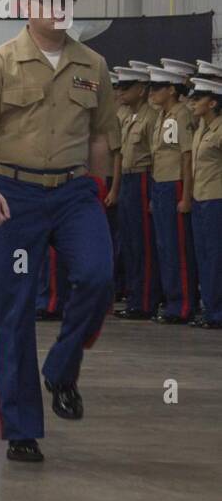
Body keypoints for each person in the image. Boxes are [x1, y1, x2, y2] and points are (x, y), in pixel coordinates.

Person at [0, 0, 119, 462]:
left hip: (73, 193)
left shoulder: (93, 66)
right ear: (26, 4)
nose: (59, 7)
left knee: (98, 276)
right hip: (15, 192)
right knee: (13, 310)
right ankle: (22, 428)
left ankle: (62, 367)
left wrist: (98, 187)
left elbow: (99, 135)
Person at [147, 64, 196, 323]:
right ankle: (172, 301)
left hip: (175, 182)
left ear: (171, 90)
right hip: (161, 183)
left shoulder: (180, 115)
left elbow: (186, 156)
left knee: (178, 247)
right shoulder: (163, 116)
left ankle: (183, 304)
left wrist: (186, 196)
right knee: (164, 246)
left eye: (157, 88)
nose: (152, 93)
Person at [108, 66, 159, 319]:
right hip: (128, 180)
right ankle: (134, 296)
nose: (121, 93)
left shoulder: (151, 117)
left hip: (143, 178)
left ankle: (145, 301)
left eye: (127, 88)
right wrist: (116, 188)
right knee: (128, 241)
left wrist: (153, 193)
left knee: (143, 244)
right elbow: (119, 154)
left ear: (142, 89)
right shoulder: (129, 116)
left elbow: (157, 157)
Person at [188, 75, 222, 328]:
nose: (193, 103)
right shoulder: (202, 127)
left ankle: (217, 312)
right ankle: (210, 309)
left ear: (213, 103)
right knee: (204, 255)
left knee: (216, 256)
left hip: (216, 198)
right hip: (201, 197)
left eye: (198, 98)